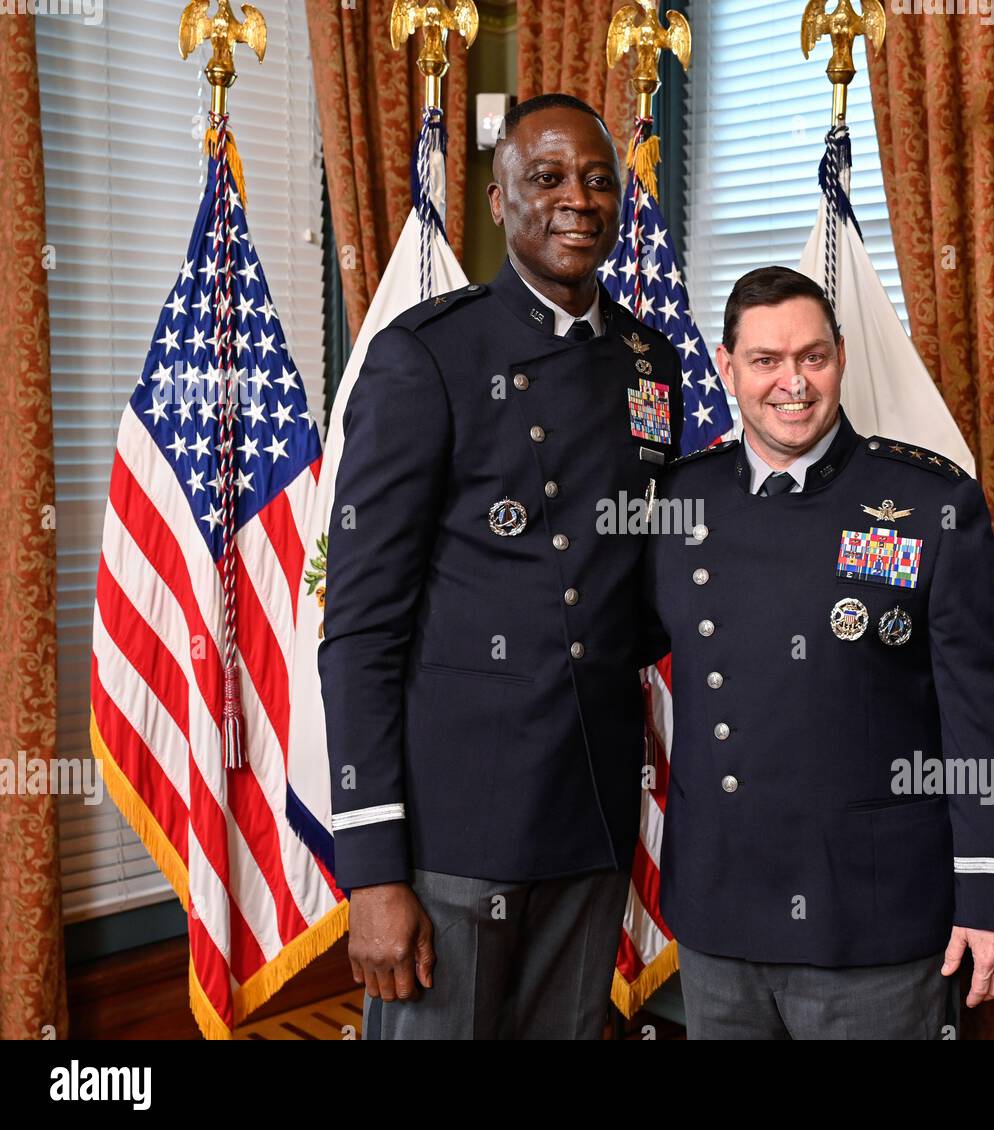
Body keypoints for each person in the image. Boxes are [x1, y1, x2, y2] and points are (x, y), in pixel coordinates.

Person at [318, 93, 683, 1039]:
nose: (579, 200)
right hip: (457, 825)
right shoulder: (427, 357)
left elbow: (642, 583)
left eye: (600, 180)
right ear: (498, 200)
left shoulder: (652, 362)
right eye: (549, 178)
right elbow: (360, 628)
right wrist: (372, 870)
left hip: (592, 805)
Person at [644, 266, 994, 1039]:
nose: (792, 383)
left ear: (842, 357)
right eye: (766, 361)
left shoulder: (929, 503)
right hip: (722, 916)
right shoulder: (678, 502)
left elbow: (985, 716)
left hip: (872, 919)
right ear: (727, 368)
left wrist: (993, 896)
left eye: (812, 357)